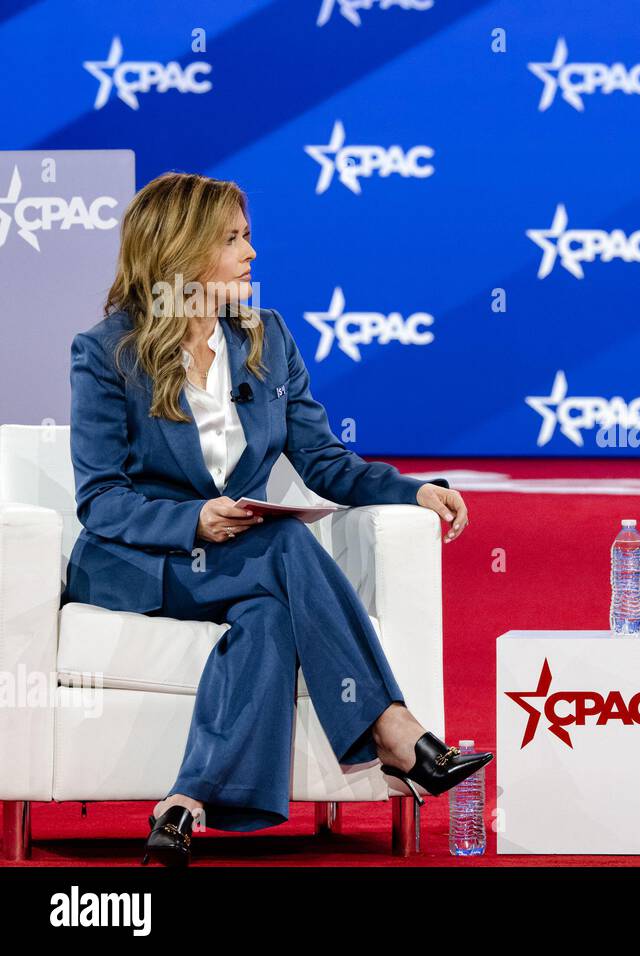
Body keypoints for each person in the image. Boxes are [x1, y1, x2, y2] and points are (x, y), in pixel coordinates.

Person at [62, 171, 492, 867]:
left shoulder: (267, 339)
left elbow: (323, 460)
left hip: (242, 566)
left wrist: (411, 492)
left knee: (267, 614)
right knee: (285, 540)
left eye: (248, 237)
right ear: (182, 251)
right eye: (232, 240)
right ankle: (394, 730)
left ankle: (184, 805)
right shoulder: (107, 353)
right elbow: (101, 500)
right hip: (138, 562)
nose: (251, 254)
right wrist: (194, 521)